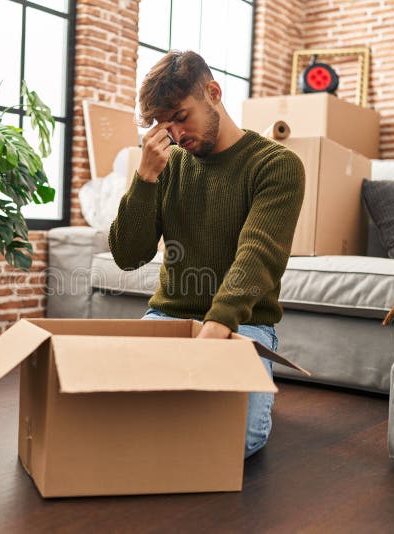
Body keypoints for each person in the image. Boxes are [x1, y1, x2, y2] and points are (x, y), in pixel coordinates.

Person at [109, 50, 305, 458]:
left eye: (181, 117)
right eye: (165, 127)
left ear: (213, 93)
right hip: (169, 315)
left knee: (235, 440)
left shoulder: (277, 165)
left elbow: (258, 253)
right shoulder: (167, 166)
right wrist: (144, 178)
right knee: (114, 417)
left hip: (241, 323)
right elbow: (128, 255)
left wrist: (218, 324)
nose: (177, 136)